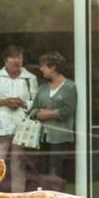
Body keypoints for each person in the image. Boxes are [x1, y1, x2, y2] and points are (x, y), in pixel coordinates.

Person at [0, 45, 38, 192]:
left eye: (19, 58)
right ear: (5, 60)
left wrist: (22, 103)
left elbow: (36, 105)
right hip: (0, 128)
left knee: (18, 168)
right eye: (13, 58)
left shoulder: (30, 78)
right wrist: (4, 102)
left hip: (22, 130)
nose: (17, 61)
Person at [30, 52, 78, 190]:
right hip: (42, 137)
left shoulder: (70, 87)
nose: (41, 69)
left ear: (53, 67)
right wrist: (38, 113)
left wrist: (48, 114)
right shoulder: (43, 88)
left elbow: (67, 110)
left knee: (56, 171)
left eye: (43, 66)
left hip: (60, 137)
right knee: (42, 171)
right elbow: (33, 110)